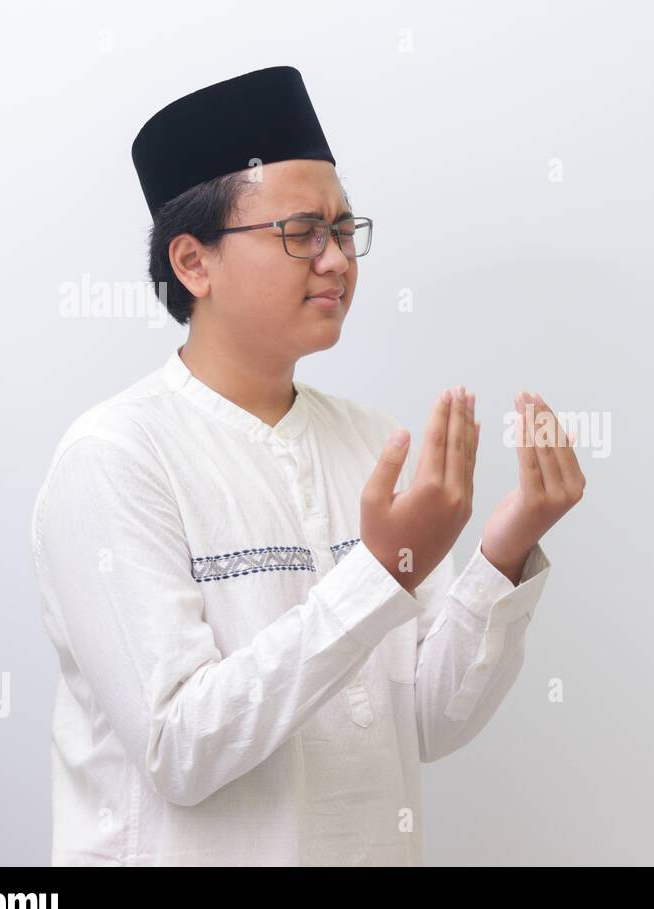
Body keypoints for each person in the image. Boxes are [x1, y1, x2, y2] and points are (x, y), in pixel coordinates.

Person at [29, 65, 585, 865]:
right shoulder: (114, 460)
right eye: (301, 233)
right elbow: (179, 748)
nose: (336, 261)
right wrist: (384, 575)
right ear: (194, 263)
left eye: (344, 229)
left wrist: (503, 553)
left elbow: (429, 721)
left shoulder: (370, 442)